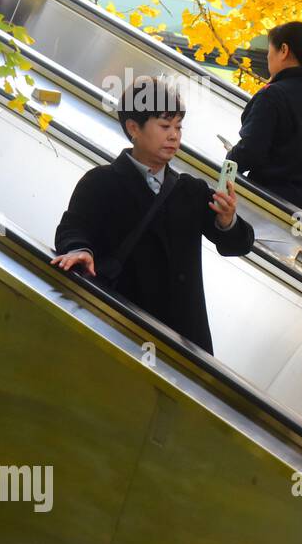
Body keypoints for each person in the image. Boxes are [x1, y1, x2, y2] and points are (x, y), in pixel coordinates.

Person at [52, 76, 255, 354]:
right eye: (164, 126)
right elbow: (73, 228)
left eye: (178, 127)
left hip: (184, 339)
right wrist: (80, 250)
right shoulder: (100, 182)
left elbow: (239, 244)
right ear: (134, 128)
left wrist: (226, 220)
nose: (174, 136)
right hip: (121, 329)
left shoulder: (190, 190)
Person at [227, 21, 302, 230]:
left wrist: (230, 159)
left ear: (284, 50)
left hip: (279, 212)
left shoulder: (273, 96)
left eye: (269, 51)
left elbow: (250, 153)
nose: (267, 58)